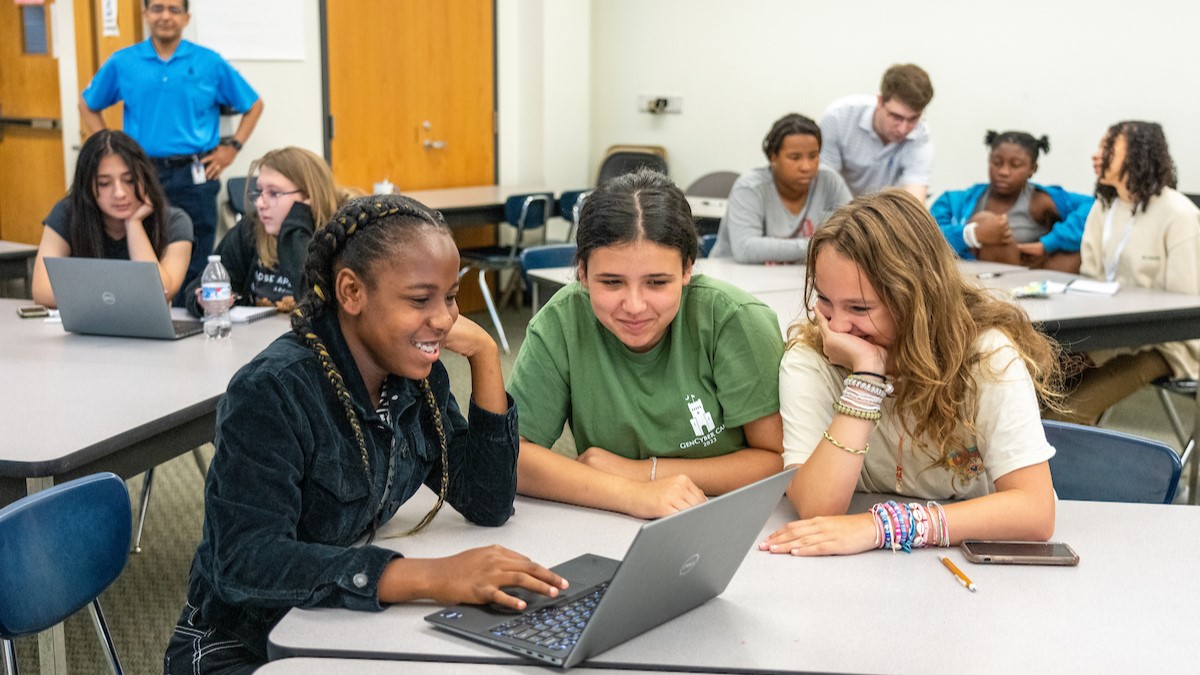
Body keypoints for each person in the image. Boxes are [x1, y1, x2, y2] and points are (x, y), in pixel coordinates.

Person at [163, 194, 566, 672]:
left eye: (450, 297)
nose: (444, 319)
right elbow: (246, 561)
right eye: (420, 299)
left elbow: (488, 501)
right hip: (240, 643)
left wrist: (485, 357)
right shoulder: (273, 390)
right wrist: (428, 577)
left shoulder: (415, 378)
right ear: (351, 292)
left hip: (337, 625)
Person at [761, 189, 1060, 557]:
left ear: (916, 299)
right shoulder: (811, 359)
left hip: (962, 565)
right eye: (824, 300)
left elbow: (1035, 511)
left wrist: (886, 526)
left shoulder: (986, 356)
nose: (835, 327)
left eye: (859, 308)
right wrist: (866, 379)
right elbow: (817, 507)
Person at [508, 170, 786, 520]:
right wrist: (632, 494)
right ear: (582, 272)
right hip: (610, 521)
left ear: (687, 269)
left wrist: (644, 473)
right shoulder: (560, 324)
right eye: (612, 282)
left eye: (657, 283)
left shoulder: (734, 320)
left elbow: (778, 460)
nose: (635, 306)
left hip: (734, 518)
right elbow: (510, 457)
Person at [79, 0, 264, 302]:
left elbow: (254, 105)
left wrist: (232, 148)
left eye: (174, 9)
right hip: (141, 174)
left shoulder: (209, 62)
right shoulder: (124, 62)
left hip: (195, 174)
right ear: (146, 14)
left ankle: (190, 316)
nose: (165, 16)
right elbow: (87, 104)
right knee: (141, 246)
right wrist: (109, 150)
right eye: (157, 8)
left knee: (196, 258)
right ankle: (142, 314)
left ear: (186, 17)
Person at [1047, 121, 1200, 425]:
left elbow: (1183, 307)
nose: (1096, 155)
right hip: (1109, 336)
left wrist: (1098, 353)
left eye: (1108, 148)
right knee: (1034, 395)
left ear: (1138, 155)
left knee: (1063, 414)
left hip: (1164, 344)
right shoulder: (1103, 208)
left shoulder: (1179, 214)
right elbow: (1090, 282)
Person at [31, 129, 193, 308]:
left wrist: (134, 225)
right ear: (87, 186)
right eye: (104, 183)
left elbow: (161, 292)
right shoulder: (68, 213)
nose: (119, 193)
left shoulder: (175, 222)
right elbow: (42, 290)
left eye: (129, 180)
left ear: (145, 178)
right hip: (85, 322)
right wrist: (114, 299)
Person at [183, 146, 348, 317]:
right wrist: (203, 301)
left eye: (274, 193)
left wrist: (296, 225)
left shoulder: (342, 235)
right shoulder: (252, 229)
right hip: (259, 333)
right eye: (259, 191)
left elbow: (320, 307)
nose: (260, 204)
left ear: (308, 196)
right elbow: (202, 283)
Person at [932, 130, 1093, 272]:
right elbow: (928, 238)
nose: (1003, 172)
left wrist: (1047, 243)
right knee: (985, 220)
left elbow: (1094, 207)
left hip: (1022, 281)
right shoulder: (952, 201)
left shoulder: (1040, 201)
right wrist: (972, 234)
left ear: (1032, 169)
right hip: (966, 279)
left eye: (1015, 165)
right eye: (996, 162)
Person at [710, 113, 852, 263]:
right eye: (795, 157)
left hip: (795, 274)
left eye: (813, 156)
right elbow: (745, 248)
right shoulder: (750, 188)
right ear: (773, 157)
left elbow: (854, 234)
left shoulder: (830, 182)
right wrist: (819, 244)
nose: (806, 166)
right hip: (732, 274)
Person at [819, 64, 934, 201]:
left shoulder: (920, 135)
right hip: (839, 206)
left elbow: (914, 199)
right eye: (896, 117)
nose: (903, 129)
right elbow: (826, 187)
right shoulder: (838, 118)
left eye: (913, 119)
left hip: (883, 209)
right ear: (880, 101)